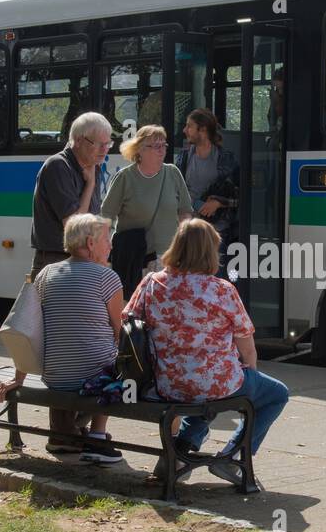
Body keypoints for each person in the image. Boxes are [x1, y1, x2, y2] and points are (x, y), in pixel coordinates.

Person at [125, 218, 290, 485]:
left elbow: (129, 323)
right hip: (215, 383)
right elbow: (246, 346)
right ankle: (233, 459)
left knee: (198, 394)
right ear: (210, 252)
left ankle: (180, 453)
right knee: (275, 394)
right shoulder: (222, 290)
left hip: (166, 383)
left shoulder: (151, 283)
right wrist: (251, 376)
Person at [0, 213, 126, 463]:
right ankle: (98, 438)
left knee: (66, 351)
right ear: (90, 244)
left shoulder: (46, 274)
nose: (111, 245)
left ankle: (62, 436)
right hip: (92, 378)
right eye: (107, 239)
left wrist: (18, 377)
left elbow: (29, 329)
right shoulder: (107, 278)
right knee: (118, 362)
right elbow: (120, 332)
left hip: (55, 376)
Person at [101, 125, 193, 297]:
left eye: (163, 145)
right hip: (135, 257)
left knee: (166, 311)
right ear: (140, 150)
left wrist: (185, 241)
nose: (162, 150)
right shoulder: (125, 177)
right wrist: (103, 249)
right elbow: (106, 216)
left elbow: (185, 211)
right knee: (135, 309)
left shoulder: (173, 173)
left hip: (169, 258)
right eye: (156, 146)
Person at [30, 111, 111, 278]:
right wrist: (90, 185)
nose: (105, 150)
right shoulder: (58, 166)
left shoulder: (92, 166)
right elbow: (74, 229)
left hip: (83, 261)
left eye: (108, 144)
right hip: (57, 262)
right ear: (79, 141)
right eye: (98, 144)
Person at [175, 109, 239, 271]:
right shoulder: (183, 158)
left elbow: (240, 196)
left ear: (202, 130)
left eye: (189, 126)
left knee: (215, 276)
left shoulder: (225, 158)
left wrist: (219, 203)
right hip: (189, 229)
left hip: (217, 230)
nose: (184, 130)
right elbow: (174, 190)